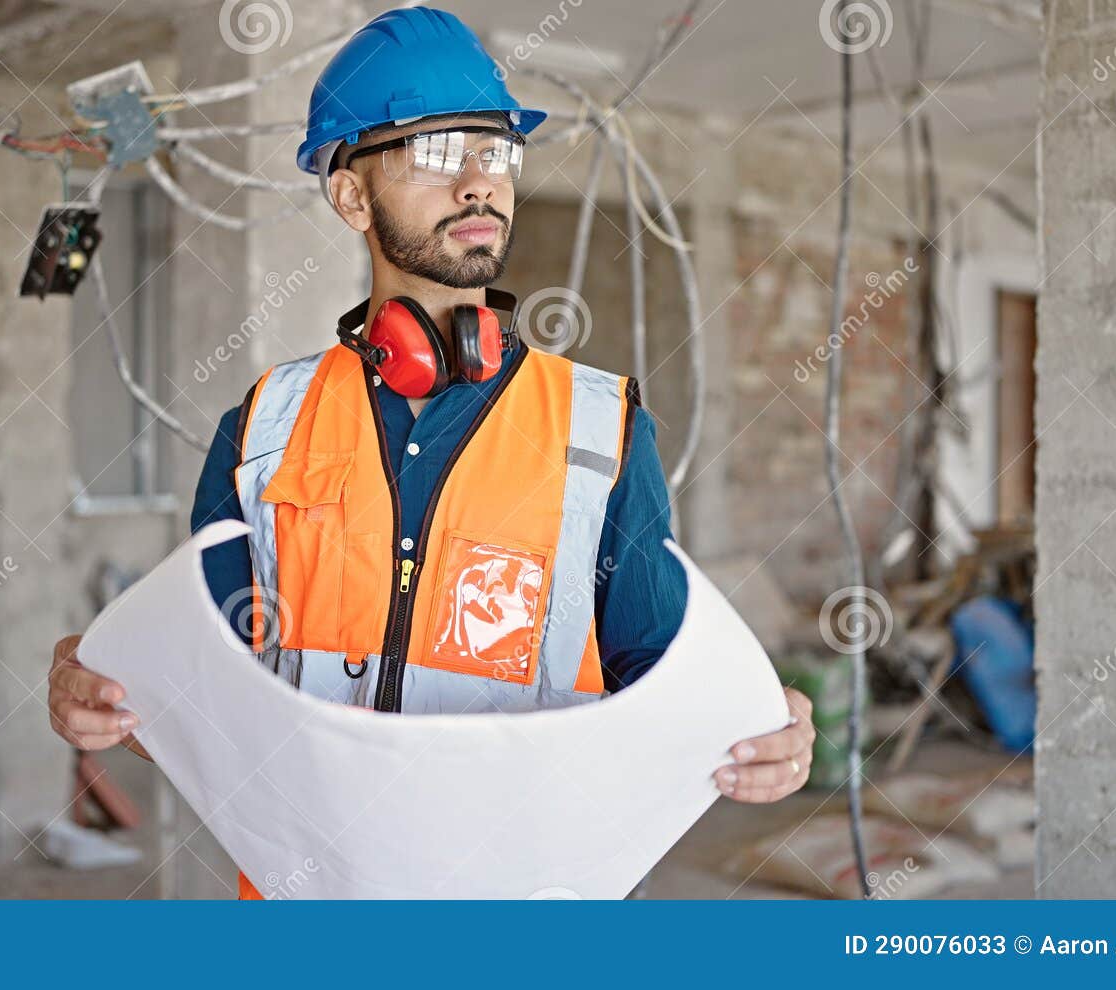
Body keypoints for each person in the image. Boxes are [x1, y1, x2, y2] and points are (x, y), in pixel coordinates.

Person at [48, 6, 814, 898]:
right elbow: (205, 703)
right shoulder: (264, 428)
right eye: (436, 156)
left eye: (495, 152)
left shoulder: (601, 430)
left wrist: (765, 731)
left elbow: (667, 688)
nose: (478, 184)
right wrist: (105, 696)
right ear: (351, 197)